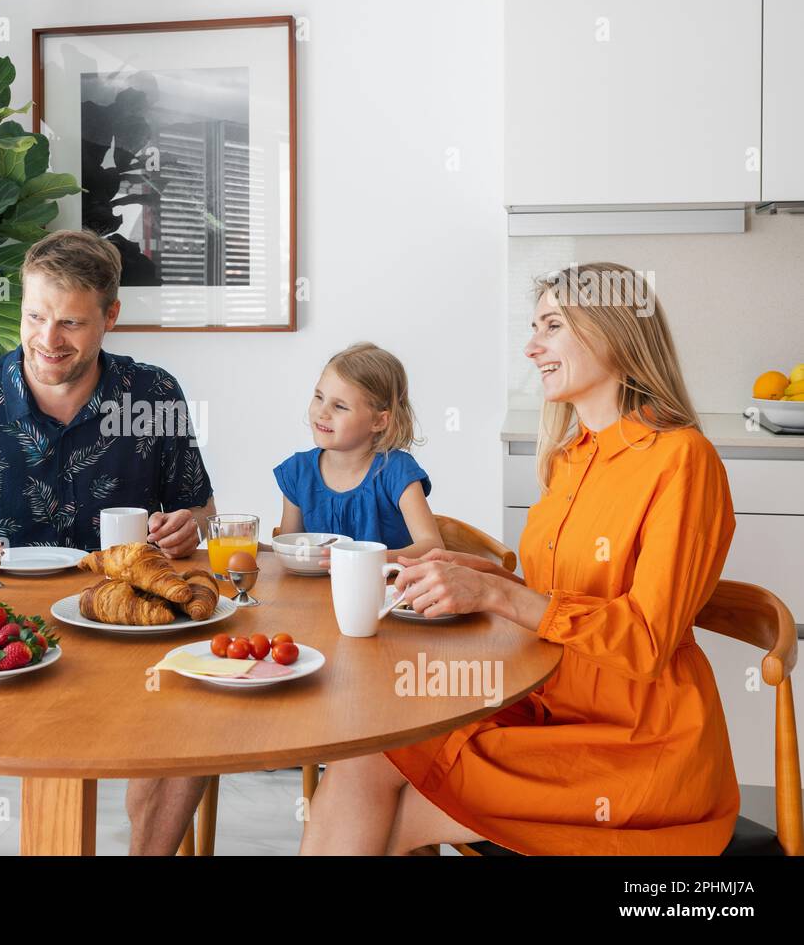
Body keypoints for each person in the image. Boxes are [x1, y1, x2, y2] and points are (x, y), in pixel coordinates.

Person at [301, 263, 739, 855]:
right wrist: (469, 575)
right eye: (533, 328)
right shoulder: (570, 457)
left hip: (635, 744)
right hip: (544, 704)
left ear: (613, 330)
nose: (531, 348)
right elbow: (561, 591)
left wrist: (498, 595)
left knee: (382, 811)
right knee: (366, 755)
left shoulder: (681, 459)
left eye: (551, 326)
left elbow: (644, 640)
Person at [0, 229, 219, 855]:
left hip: (123, 632)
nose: (48, 340)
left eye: (71, 323)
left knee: (195, 709)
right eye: (35, 316)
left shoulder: (154, 395)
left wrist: (190, 522)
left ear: (111, 317)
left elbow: (199, 506)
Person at [275, 341, 442, 561]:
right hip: (315, 593)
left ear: (379, 421)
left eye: (340, 406)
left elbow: (432, 548)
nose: (322, 412)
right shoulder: (298, 471)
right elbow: (290, 550)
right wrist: (253, 549)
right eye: (319, 397)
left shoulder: (397, 471)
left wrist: (360, 560)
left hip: (388, 592)